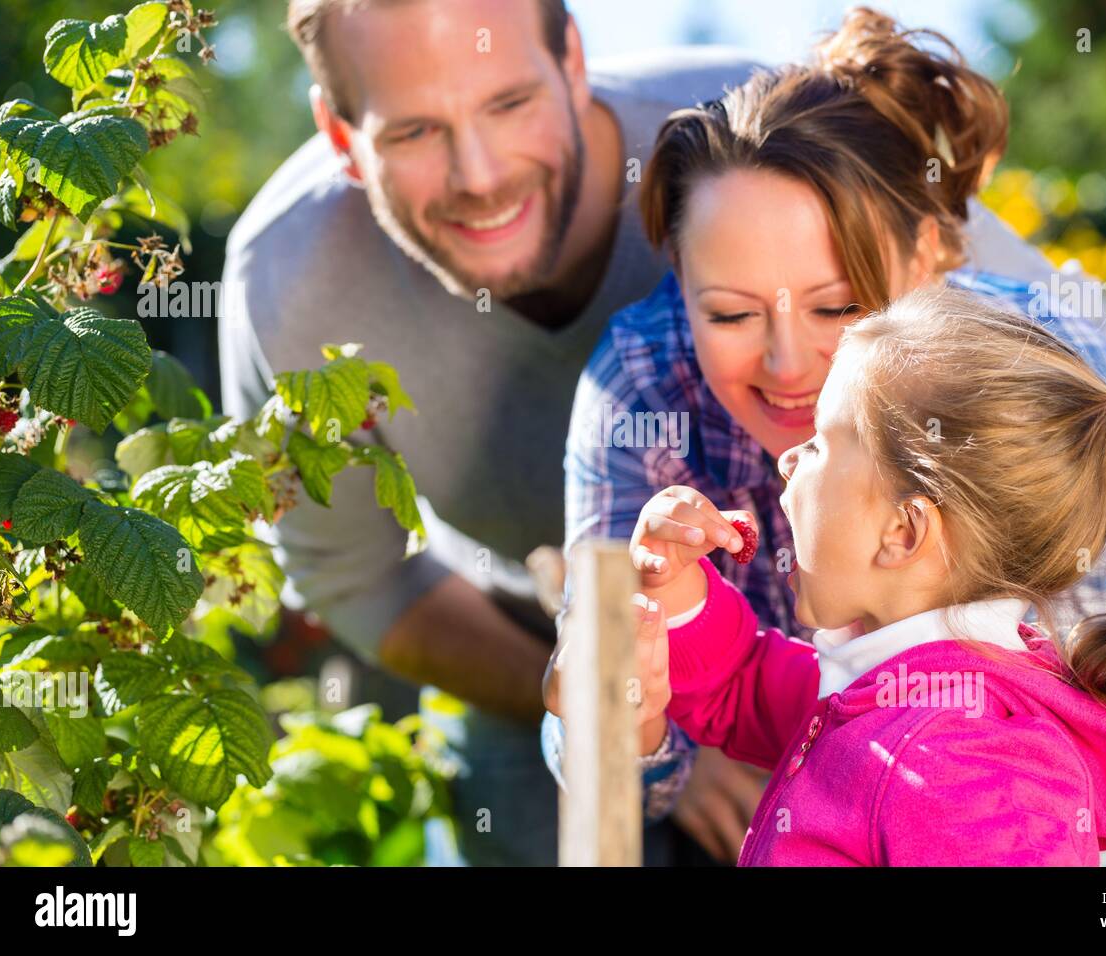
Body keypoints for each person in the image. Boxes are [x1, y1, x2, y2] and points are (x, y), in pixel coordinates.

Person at [543, 8, 1106, 866]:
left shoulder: (969, 766)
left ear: (930, 258)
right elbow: (746, 682)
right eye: (731, 312)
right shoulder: (878, 680)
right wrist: (662, 618)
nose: (791, 365)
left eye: (839, 305)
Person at [219, 0, 764, 865]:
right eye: (414, 132)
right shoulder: (289, 280)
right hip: (527, 647)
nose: (479, 175)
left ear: (574, 61)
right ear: (339, 134)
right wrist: (600, 703)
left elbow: (1031, 371)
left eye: (509, 104)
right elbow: (357, 580)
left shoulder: (759, 134)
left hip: (822, 636)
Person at [618, 284, 1106, 865]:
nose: (787, 460)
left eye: (819, 443)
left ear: (904, 532)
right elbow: (741, 690)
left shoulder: (966, 768)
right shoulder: (892, 691)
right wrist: (674, 589)